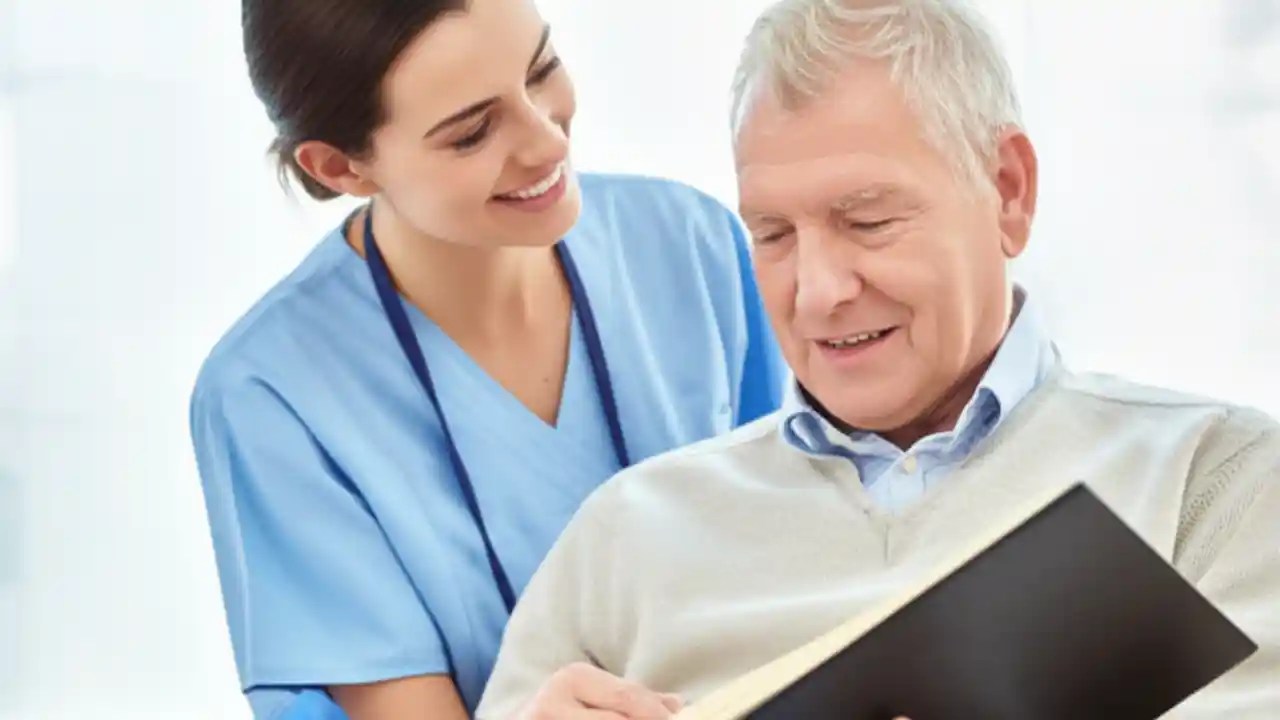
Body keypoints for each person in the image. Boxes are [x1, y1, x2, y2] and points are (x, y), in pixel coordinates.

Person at [475, 0, 1280, 718]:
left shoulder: (1215, 486)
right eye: (774, 236)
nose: (818, 292)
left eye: (867, 222)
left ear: (1007, 190)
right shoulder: (626, 536)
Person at [188, 1, 786, 718]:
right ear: (342, 167)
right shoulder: (274, 395)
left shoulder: (692, 246)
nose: (545, 142)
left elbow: (791, 565)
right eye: (472, 133)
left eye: (542, 70)